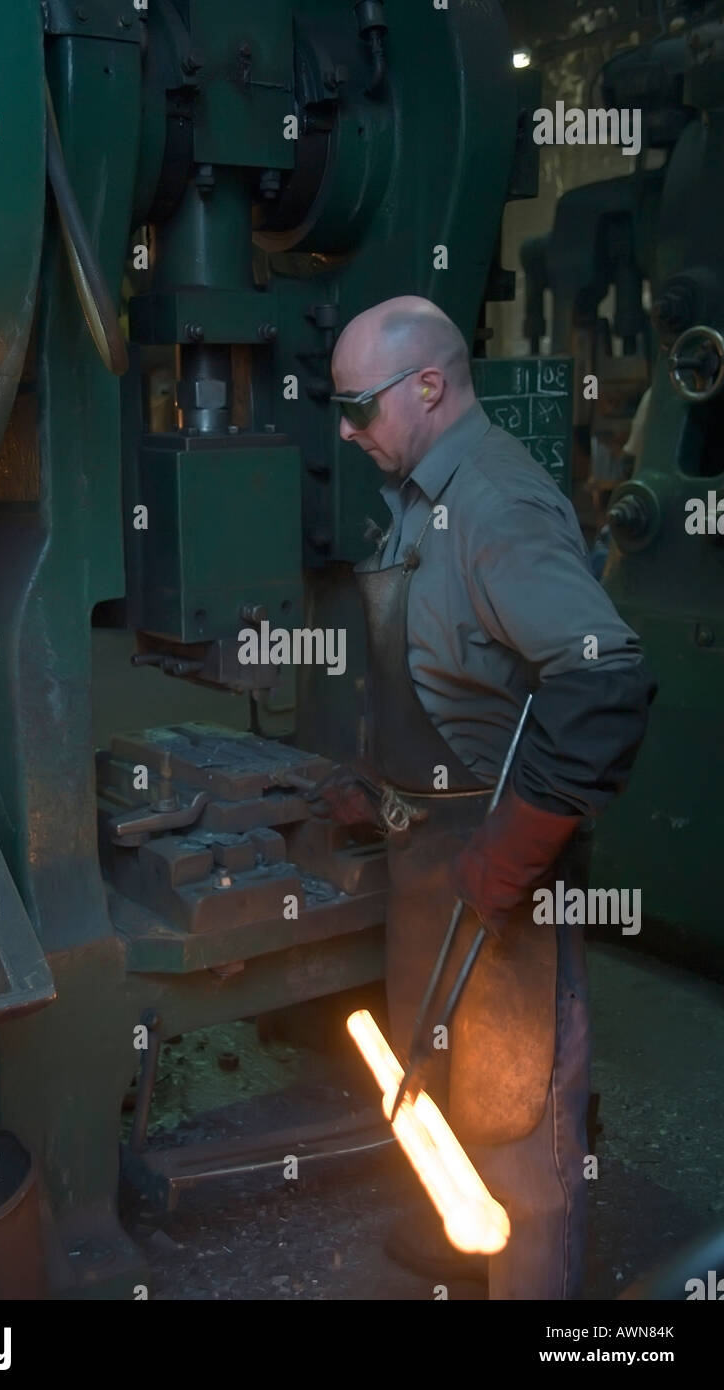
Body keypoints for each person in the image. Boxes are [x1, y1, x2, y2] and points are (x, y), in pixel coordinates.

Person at [326, 295, 656, 1300]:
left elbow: (603, 679)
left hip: (497, 857)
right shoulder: (423, 489)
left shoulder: (496, 503)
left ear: (429, 385)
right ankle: (467, 1235)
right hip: (425, 847)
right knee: (439, 1074)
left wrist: (514, 850)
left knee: (519, 1118)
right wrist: (376, 787)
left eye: (359, 405)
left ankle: (530, 1285)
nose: (345, 429)